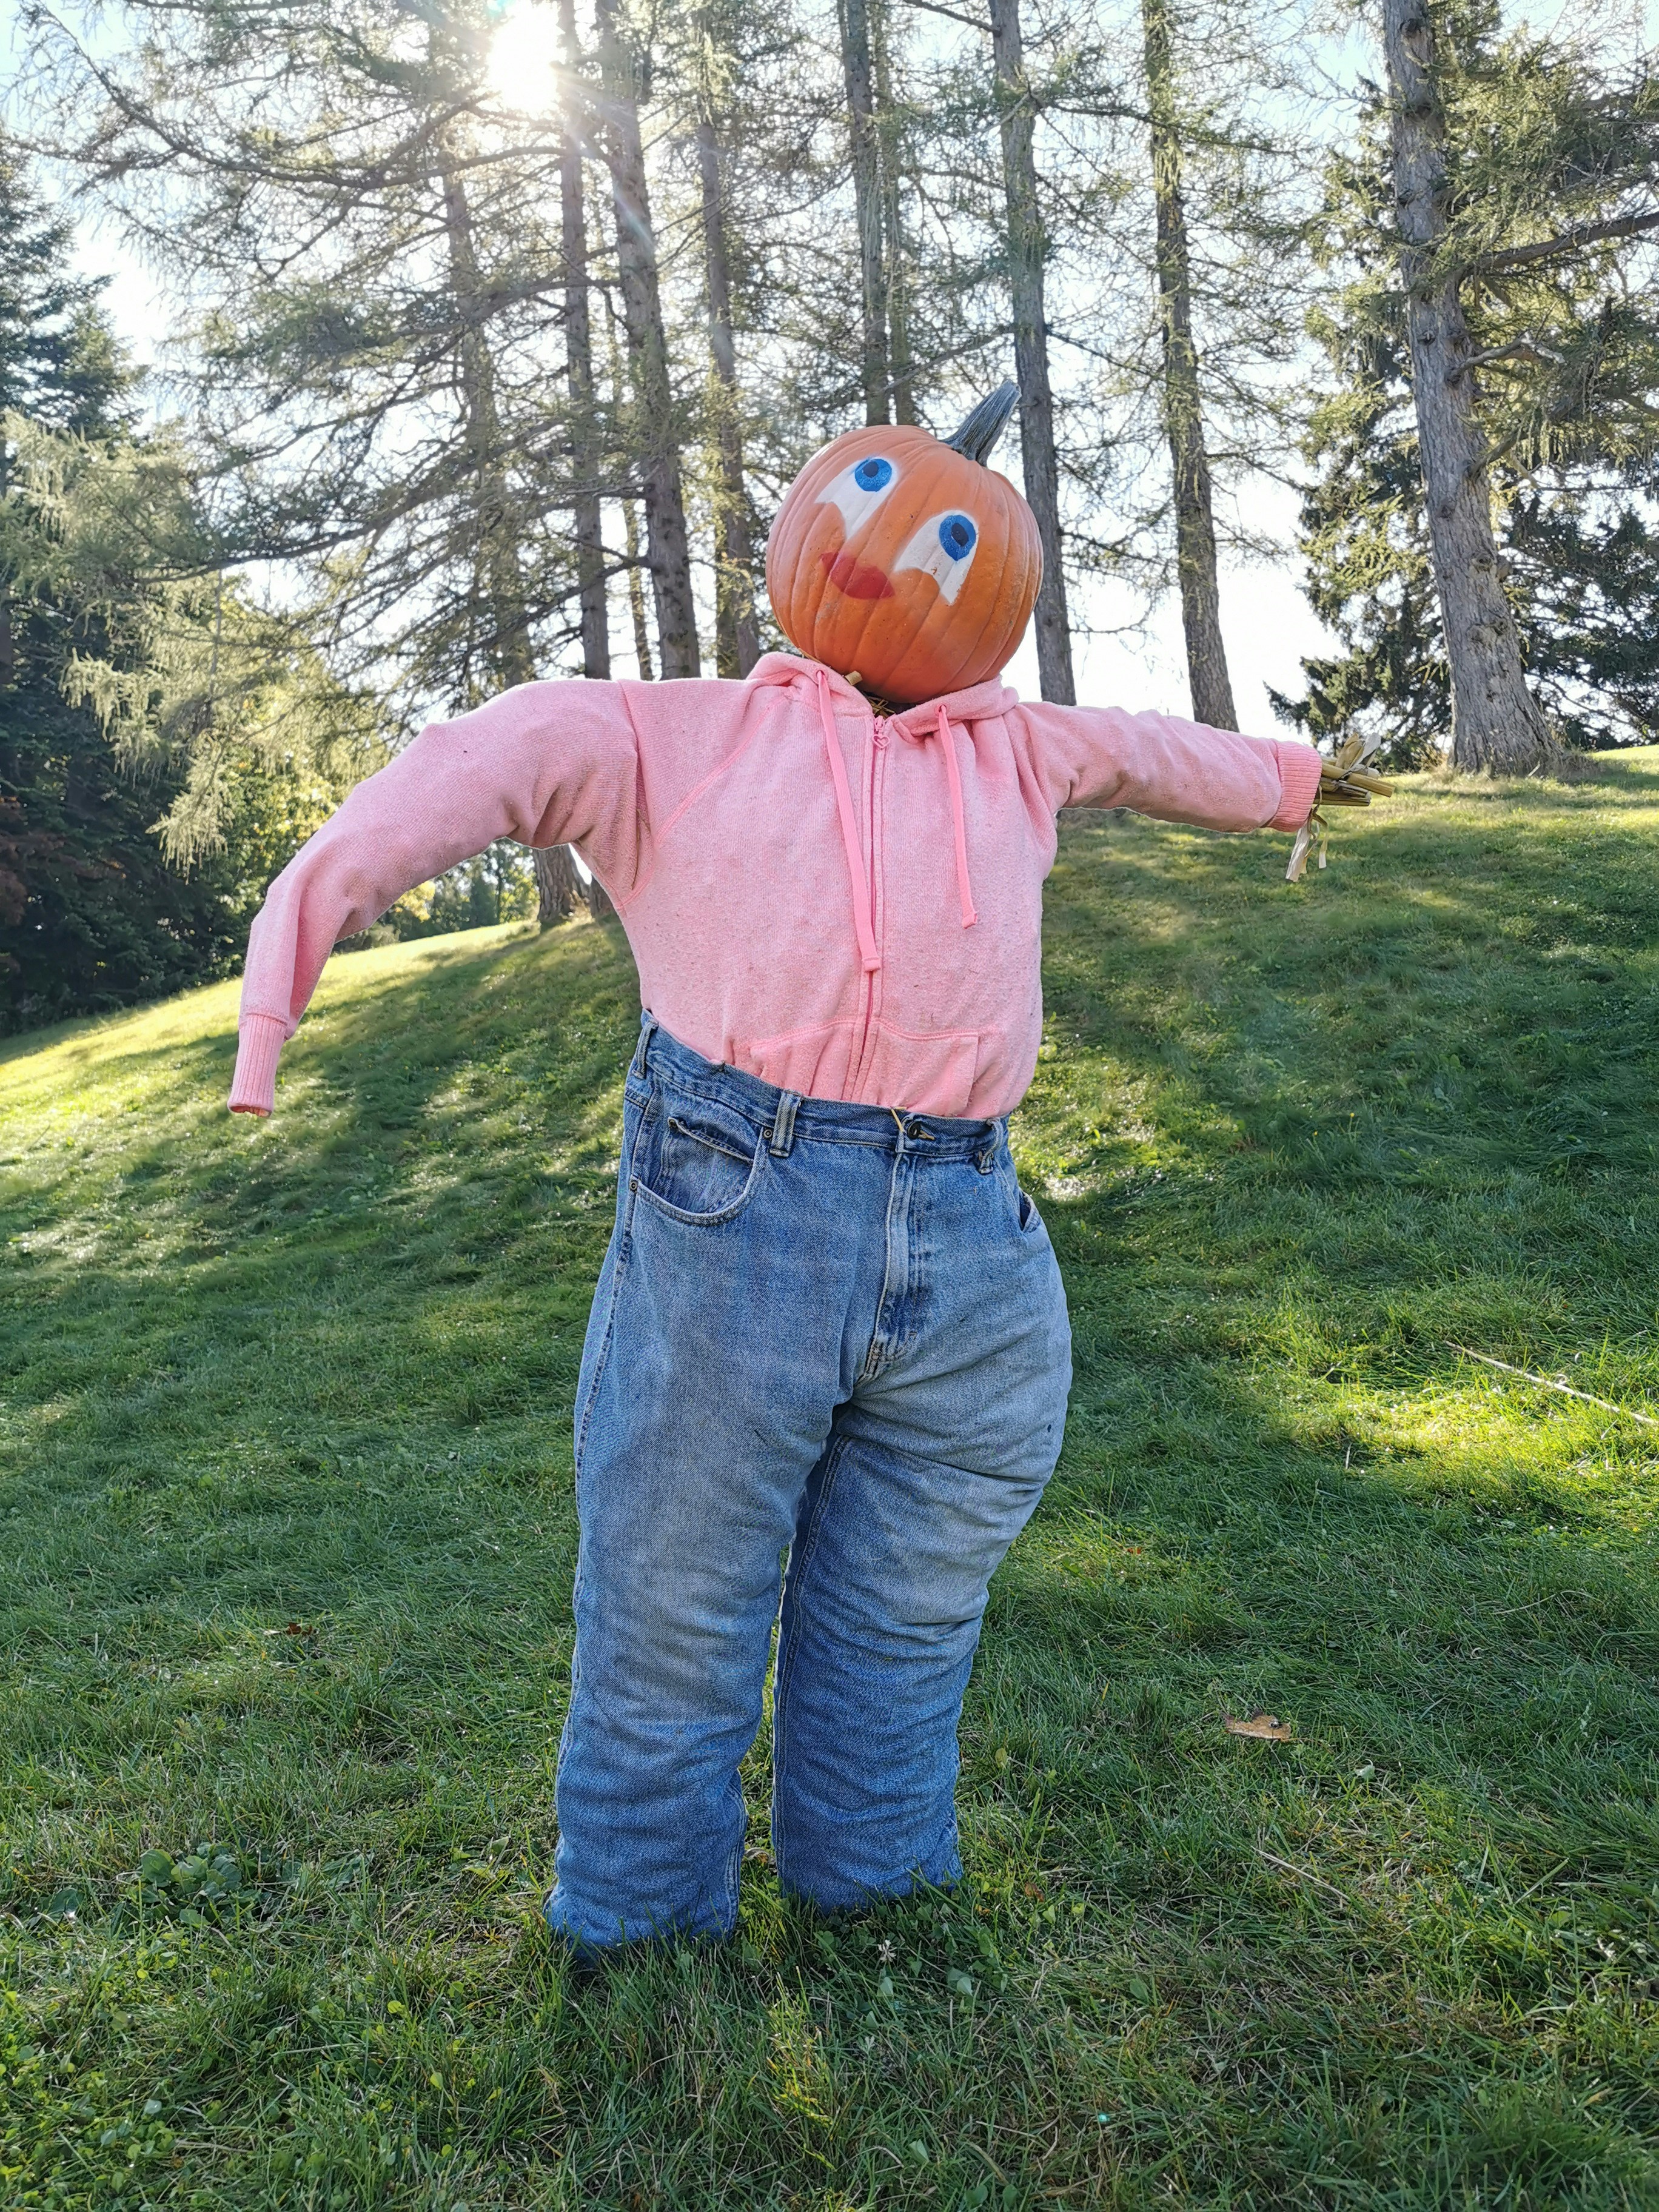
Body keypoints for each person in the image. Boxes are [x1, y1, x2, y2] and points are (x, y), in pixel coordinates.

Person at [227, 384, 1326, 1954]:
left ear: (1000, 584)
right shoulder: (662, 737)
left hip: (972, 1237)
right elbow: (455, 776)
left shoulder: (1015, 756)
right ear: (805, 526)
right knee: (673, 1612)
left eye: (955, 535)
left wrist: (1299, 783)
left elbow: (1163, 756)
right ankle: (642, 1940)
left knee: (904, 1615)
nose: (902, 551)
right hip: (735, 1212)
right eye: (869, 496)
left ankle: (873, 1904)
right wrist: (281, 986)